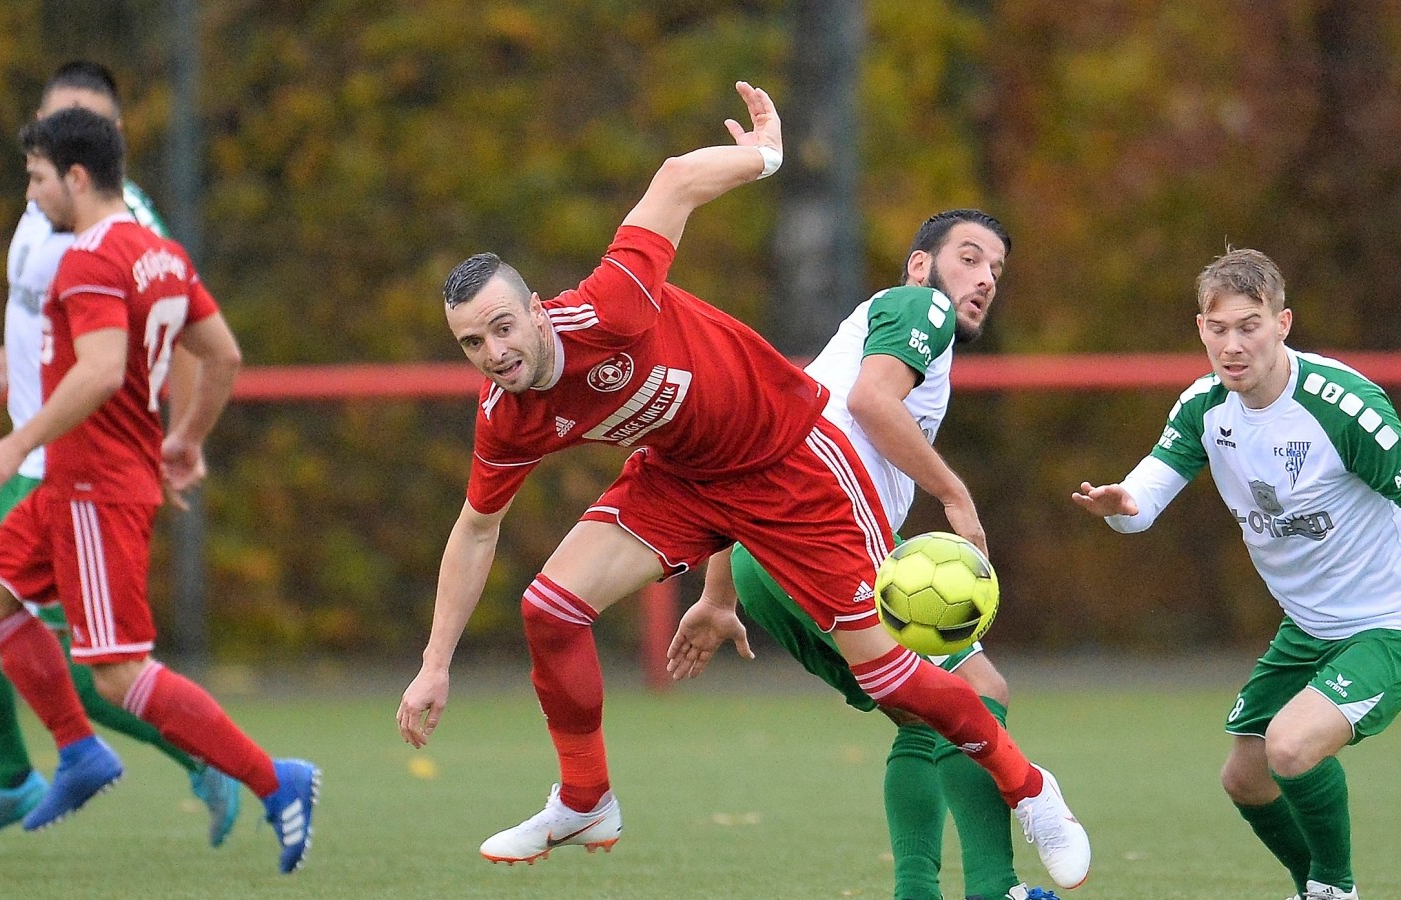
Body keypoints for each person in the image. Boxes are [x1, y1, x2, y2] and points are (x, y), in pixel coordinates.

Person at [394, 82, 1090, 891]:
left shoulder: (613, 307)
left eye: (502, 327)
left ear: (539, 313)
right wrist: (435, 663)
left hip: (789, 463)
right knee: (550, 608)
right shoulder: (506, 415)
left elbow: (676, 179)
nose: (493, 353)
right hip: (682, 480)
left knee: (889, 675)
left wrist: (764, 156)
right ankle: (585, 799)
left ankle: (1031, 790)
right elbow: (476, 529)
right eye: (471, 343)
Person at [1071, 248, 1401, 900]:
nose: (1232, 345)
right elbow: (1141, 502)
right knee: (1245, 778)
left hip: (1399, 623)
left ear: (1282, 324)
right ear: (1200, 329)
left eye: (1248, 326)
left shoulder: (1342, 406)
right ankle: (1313, 889)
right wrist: (1119, 507)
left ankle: (1334, 891)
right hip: (1310, 627)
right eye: (1218, 328)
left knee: (1288, 748)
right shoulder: (1204, 407)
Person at [0, 107, 320, 873]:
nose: (31, 195)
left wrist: (14, 443)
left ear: (76, 177)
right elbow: (222, 355)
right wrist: (185, 439)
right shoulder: (161, 254)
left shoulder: (86, 258)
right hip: (74, 482)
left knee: (119, 674)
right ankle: (79, 751)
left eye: (37, 179)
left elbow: (99, 371)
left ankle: (273, 779)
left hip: (94, 489)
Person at [667, 209, 1058, 900]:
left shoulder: (885, 336)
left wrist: (719, 594)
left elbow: (758, 456)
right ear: (920, 266)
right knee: (978, 693)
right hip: (822, 536)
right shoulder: (919, 308)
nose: (985, 279)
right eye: (969, 258)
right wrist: (956, 496)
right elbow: (873, 403)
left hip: (765, 554)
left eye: (996, 270)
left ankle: (920, 892)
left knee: (924, 714)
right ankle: (995, 890)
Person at [0, 60, 240, 847]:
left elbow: (176, 335)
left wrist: (182, 439)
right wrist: (9, 363)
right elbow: (57, 322)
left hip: (68, 460)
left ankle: (206, 757)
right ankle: (11, 776)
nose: (60, 133)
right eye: (54, 116)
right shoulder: (42, 205)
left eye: (81, 121)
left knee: (96, 668)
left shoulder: (128, 223)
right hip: (24, 446)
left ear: (102, 146)